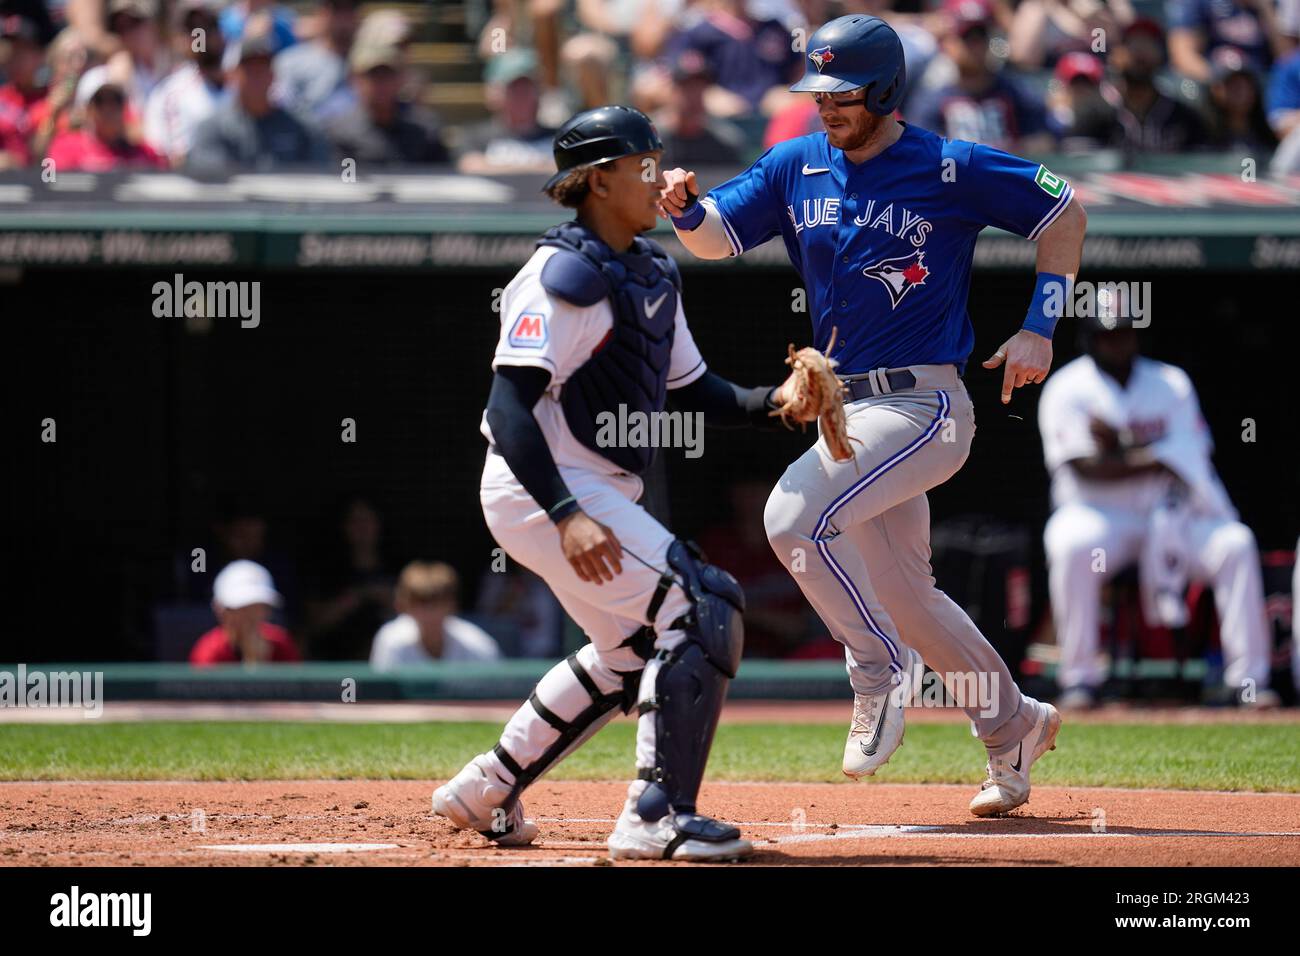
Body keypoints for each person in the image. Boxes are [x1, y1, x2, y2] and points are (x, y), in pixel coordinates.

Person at [661, 15, 1087, 817]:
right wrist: (684, 208)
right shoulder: (796, 162)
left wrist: (1040, 323)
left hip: (924, 403)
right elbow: (718, 239)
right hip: (846, 412)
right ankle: (1012, 725)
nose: (827, 107)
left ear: (886, 89)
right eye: (818, 91)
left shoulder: (948, 164)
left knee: (791, 517)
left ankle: (875, 666)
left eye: (843, 93)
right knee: (910, 596)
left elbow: (1062, 213)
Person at [434, 105, 804, 861]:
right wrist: (566, 512)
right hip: (543, 486)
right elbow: (507, 409)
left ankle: (485, 789)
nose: (660, 176)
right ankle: (655, 815)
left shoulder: (653, 271)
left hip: (596, 490)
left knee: (631, 651)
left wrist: (778, 403)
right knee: (706, 604)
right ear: (599, 180)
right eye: (644, 164)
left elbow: (699, 393)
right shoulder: (558, 273)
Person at [1038, 315, 1277, 710]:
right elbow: (1085, 466)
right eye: (1108, 336)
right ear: (1091, 339)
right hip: (1099, 514)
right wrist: (1155, 453)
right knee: (1070, 544)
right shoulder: (1068, 387)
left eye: (1125, 333)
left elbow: (1192, 454)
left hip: (1171, 514)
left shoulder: (1170, 383)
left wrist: (1121, 445)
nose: (1118, 343)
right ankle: (1080, 680)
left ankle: (1248, 682)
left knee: (1236, 544)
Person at [906, 0, 1055, 153]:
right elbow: (922, 151)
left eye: (980, 36)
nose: (976, 45)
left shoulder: (1016, 93)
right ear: (948, 43)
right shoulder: (931, 100)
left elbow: (1044, 142)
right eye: (967, 38)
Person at [186, 31, 331, 171]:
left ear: (273, 75)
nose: (257, 77)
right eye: (249, 70)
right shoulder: (212, 129)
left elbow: (318, 176)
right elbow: (212, 182)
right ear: (233, 75)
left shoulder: (303, 128)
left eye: (263, 68)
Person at [324, 37, 449, 166]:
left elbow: (439, 177)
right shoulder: (341, 131)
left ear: (401, 79)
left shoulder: (426, 127)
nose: (381, 84)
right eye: (372, 75)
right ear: (355, 80)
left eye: (387, 75)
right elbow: (345, 179)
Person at [369, 562, 500, 668]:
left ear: (452, 605)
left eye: (437, 603)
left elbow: (502, 691)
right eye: (421, 603)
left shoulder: (477, 645)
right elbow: (381, 694)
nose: (430, 613)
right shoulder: (391, 641)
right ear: (404, 606)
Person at [142, 0, 226, 165]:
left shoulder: (245, 82)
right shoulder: (169, 93)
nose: (200, 36)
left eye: (206, 27)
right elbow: (163, 154)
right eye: (193, 30)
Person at [1111, 17, 1209, 152]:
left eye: (1148, 45)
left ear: (1161, 56)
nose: (1140, 53)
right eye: (1133, 44)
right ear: (1116, 55)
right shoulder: (1097, 114)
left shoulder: (1184, 119)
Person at [455, 48, 555, 175]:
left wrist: (495, 168)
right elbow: (471, 167)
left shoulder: (559, 139)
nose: (521, 96)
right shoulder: (474, 136)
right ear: (494, 94)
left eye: (527, 89)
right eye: (513, 90)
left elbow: (572, 171)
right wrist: (544, 168)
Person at [190, 560, 302, 665]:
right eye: (241, 608)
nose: (250, 617)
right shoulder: (209, 652)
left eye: (257, 608)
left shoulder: (282, 643)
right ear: (221, 611)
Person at [46, 75, 167, 171]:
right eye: (100, 102)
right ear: (87, 109)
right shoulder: (66, 148)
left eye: (116, 101)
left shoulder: (143, 153)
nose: (109, 109)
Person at [271, 0, 357, 119]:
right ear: (321, 14)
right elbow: (282, 107)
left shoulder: (373, 62)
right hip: (311, 133)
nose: (343, 19)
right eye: (337, 10)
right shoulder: (292, 61)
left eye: (349, 10)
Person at [0, 13, 46, 167]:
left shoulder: (52, 100)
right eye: (12, 51)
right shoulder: (1, 98)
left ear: (39, 55)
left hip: (45, 182)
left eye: (22, 51)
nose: (15, 58)